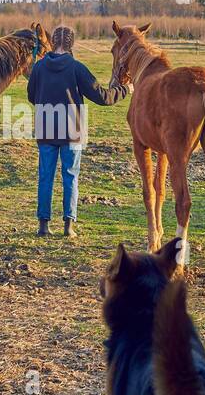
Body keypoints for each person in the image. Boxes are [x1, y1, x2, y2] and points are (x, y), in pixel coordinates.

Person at [26, 24, 130, 237]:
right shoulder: (77, 68)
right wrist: (125, 89)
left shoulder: (38, 68)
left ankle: (43, 226)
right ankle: (68, 226)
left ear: (53, 42)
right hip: (72, 132)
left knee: (45, 176)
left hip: (45, 130)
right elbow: (102, 97)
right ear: (71, 44)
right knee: (70, 176)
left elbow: (31, 96)